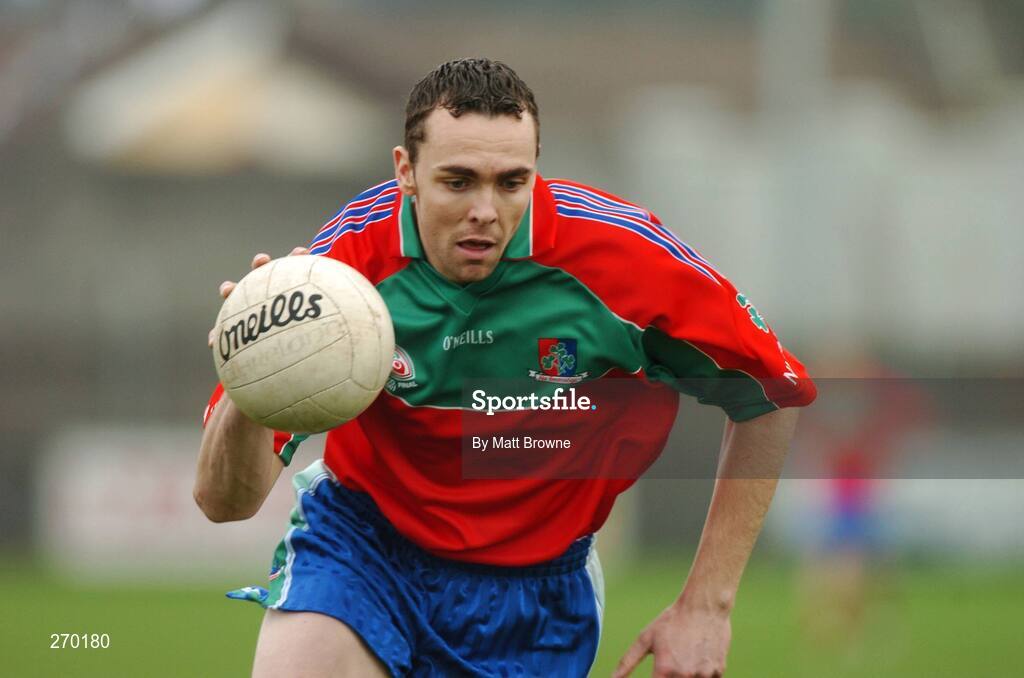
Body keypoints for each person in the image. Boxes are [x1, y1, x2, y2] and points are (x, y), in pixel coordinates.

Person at [195, 58, 817, 678]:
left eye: (511, 181)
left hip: (536, 596)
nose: (486, 211)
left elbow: (770, 395)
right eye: (458, 181)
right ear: (405, 172)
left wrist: (707, 605)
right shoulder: (339, 271)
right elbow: (224, 503)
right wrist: (253, 382)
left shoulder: (625, 261)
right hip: (363, 549)